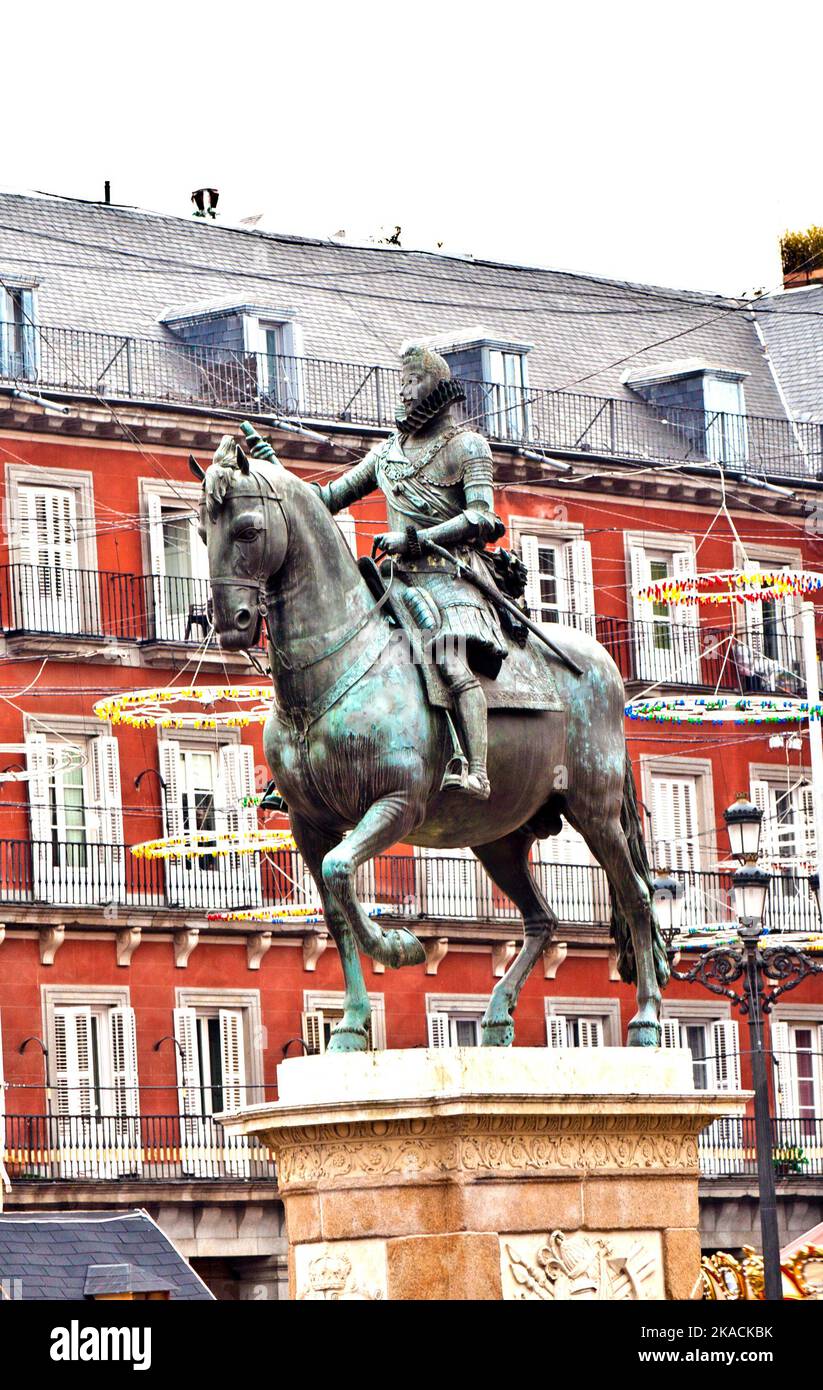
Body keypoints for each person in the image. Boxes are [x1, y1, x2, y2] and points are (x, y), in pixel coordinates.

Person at [312, 341, 508, 799]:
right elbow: (329, 498)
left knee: (449, 658)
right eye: (401, 383)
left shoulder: (468, 446)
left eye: (412, 382)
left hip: (453, 578)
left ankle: (477, 770)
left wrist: (416, 539)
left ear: (435, 386)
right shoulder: (388, 453)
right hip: (396, 580)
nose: (403, 392)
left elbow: (482, 518)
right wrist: (275, 480)